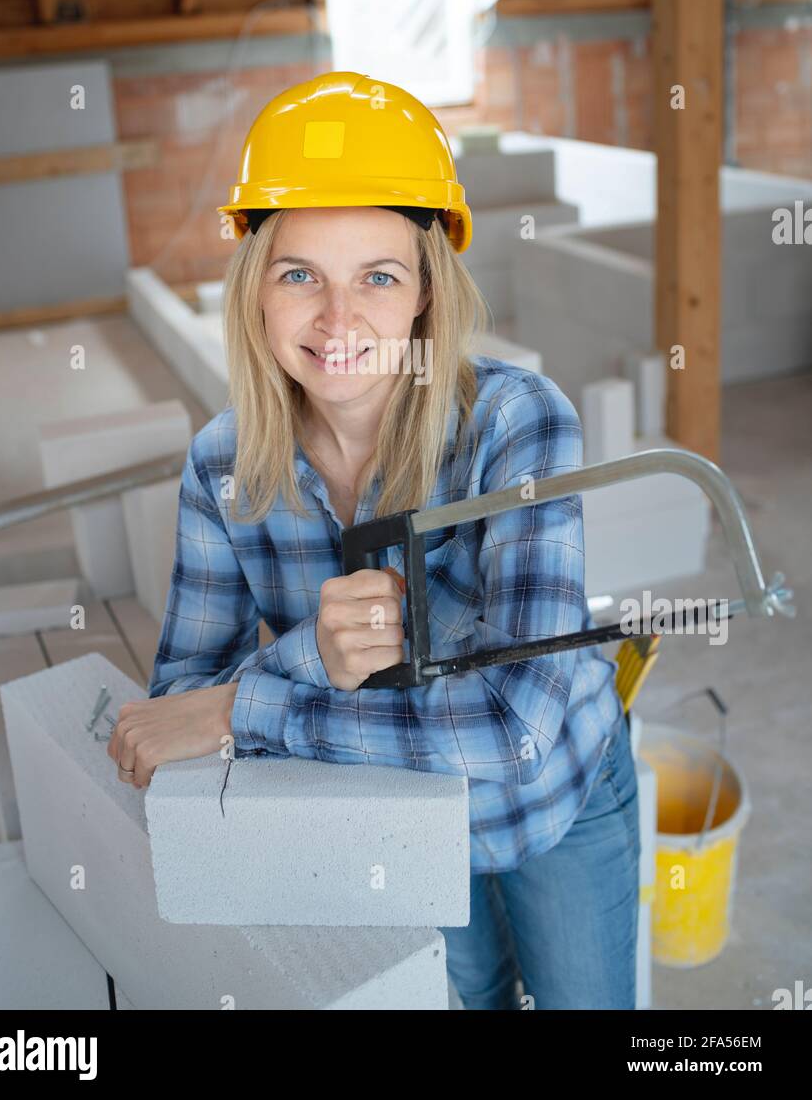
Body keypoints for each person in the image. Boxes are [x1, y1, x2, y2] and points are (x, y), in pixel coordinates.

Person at [107, 71, 639, 1010]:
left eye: (378, 277)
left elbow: (511, 741)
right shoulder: (221, 467)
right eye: (301, 274)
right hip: (397, 815)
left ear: (428, 291)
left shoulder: (516, 423)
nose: (339, 320)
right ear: (255, 290)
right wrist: (313, 654)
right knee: (452, 1001)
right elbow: (172, 711)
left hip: (559, 800)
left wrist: (247, 709)